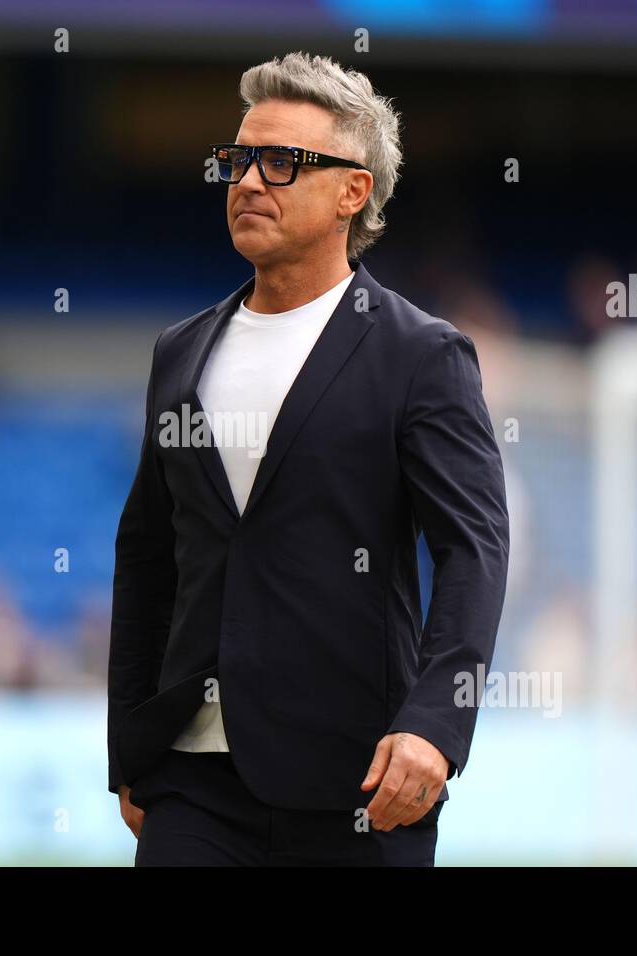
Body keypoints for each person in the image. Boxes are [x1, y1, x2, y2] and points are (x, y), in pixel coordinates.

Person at [106, 52, 509, 866]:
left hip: (360, 780)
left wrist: (434, 725)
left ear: (352, 192)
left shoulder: (423, 355)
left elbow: (472, 550)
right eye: (236, 160)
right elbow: (147, 554)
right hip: (193, 783)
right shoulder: (178, 352)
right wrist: (131, 748)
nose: (247, 181)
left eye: (281, 163)